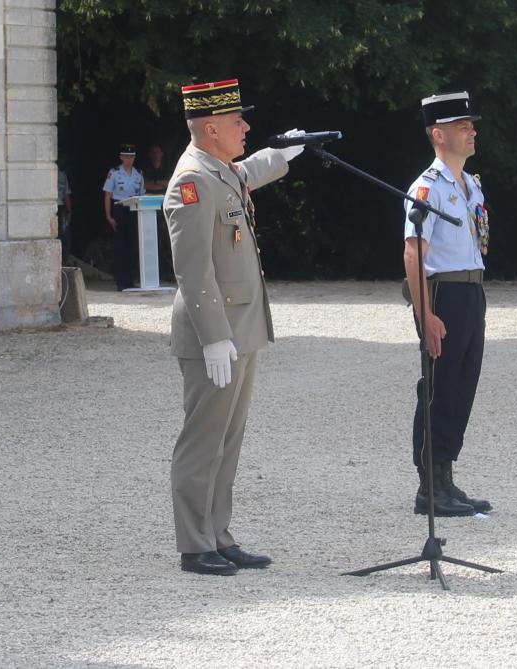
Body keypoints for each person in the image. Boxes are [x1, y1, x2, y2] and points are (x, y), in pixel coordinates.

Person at [163, 79, 304, 575]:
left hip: (238, 328)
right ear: (211, 127)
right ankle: (194, 542)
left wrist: (282, 153)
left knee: (229, 439)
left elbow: (246, 173)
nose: (246, 127)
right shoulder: (192, 181)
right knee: (203, 440)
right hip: (214, 333)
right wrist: (213, 335)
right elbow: (193, 267)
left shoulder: (217, 169)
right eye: (238, 121)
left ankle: (218, 533)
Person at [402, 91, 493, 518]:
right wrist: (425, 314)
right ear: (439, 135)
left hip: (471, 291)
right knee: (437, 388)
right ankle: (428, 488)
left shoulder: (470, 184)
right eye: (462, 126)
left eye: (471, 125)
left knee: (462, 387)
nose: (472, 131)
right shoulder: (427, 188)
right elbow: (413, 253)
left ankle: (447, 478)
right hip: (444, 292)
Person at [102, 143, 145, 290]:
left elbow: (142, 194)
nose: (129, 159)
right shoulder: (114, 172)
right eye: (126, 156)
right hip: (119, 208)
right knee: (120, 246)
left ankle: (131, 280)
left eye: (132, 156)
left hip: (134, 209)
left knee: (133, 245)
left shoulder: (138, 173)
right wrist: (108, 215)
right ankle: (121, 281)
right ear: (121, 157)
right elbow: (108, 194)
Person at [143, 144, 175, 280]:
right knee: (150, 240)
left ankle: (169, 272)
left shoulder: (167, 168)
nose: (156, 154)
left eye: (158, 151)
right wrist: (161, 184)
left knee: (168, 239)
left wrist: (156, 184)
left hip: (165, 207)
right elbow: (145, 185)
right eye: (153, 152)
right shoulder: (145, 169)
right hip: (148, 208)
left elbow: (171, 183)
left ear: (162, 154)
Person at [57, 164, 73, 261]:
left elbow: (66, 194)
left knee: (64, 233)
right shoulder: (46, 170)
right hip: (50, 206)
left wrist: (69, 211)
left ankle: (64, 258)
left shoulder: (62, 175)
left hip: (61, 207)